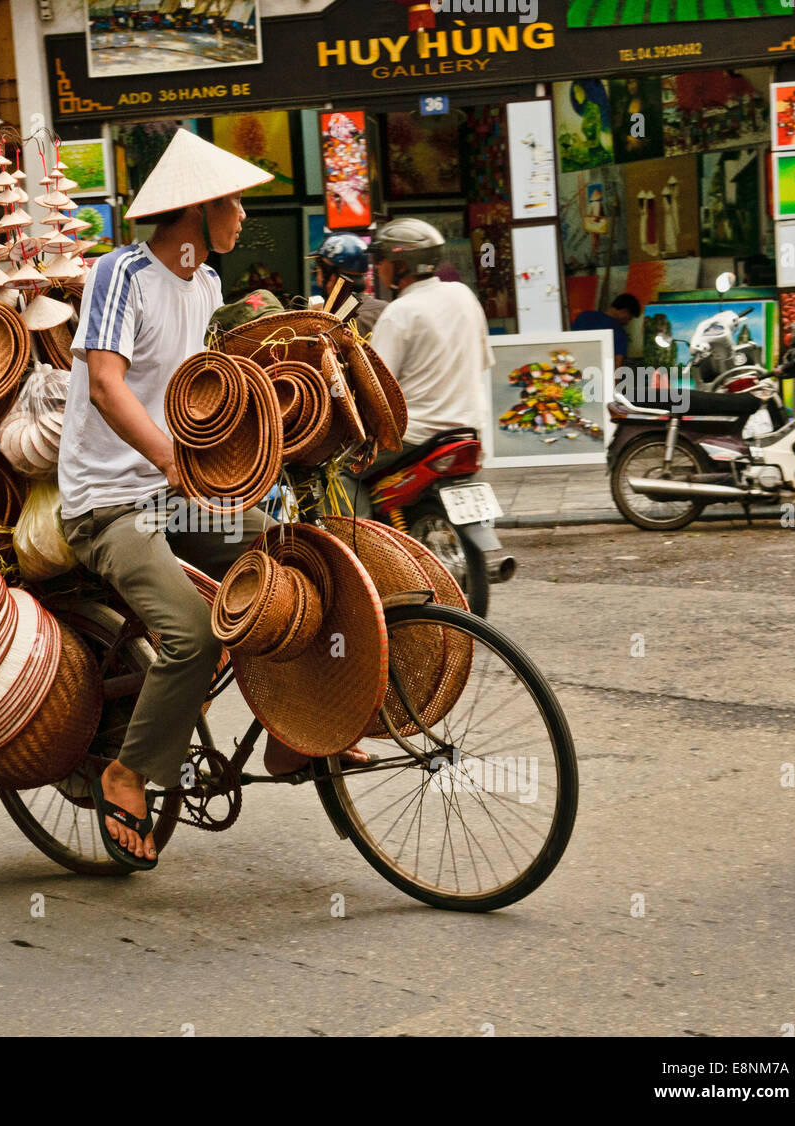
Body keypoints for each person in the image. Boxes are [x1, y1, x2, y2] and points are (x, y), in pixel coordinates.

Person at [58, 129, 365, 870]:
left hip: (178, 495)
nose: (242, 222)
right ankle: (127, 773)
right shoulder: (119, 275)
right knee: (193, 634)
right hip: (109, 503)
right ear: (199, 210)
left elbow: (202, 395)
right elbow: (105, 384)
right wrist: (171, 460)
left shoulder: (205, 286)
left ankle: (296, 731)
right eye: (235, 206)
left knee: (299, 562)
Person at [333, 218, 493, 517]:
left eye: (381, 260)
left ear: (400, 265)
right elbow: (483, 362)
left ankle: (364, 549)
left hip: (416, 436)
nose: (378, 267)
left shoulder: (399, 312)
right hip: (469, 429)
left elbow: (375, 389)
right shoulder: (465, 296)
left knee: (340, 471)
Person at [310, 233, 387, 337]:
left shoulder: (332, 324)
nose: (316, 274)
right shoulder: (385, 309)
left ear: (332, 278)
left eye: (317, 270)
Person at [571, 292, 640, 370]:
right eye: (629, 318)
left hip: (575, 369)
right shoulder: (619, 331)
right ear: (624, 311)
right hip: (599, 375)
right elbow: (617, 363)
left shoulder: (584, 316)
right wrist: (615, 381)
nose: (627, 323)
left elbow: (570, 343)